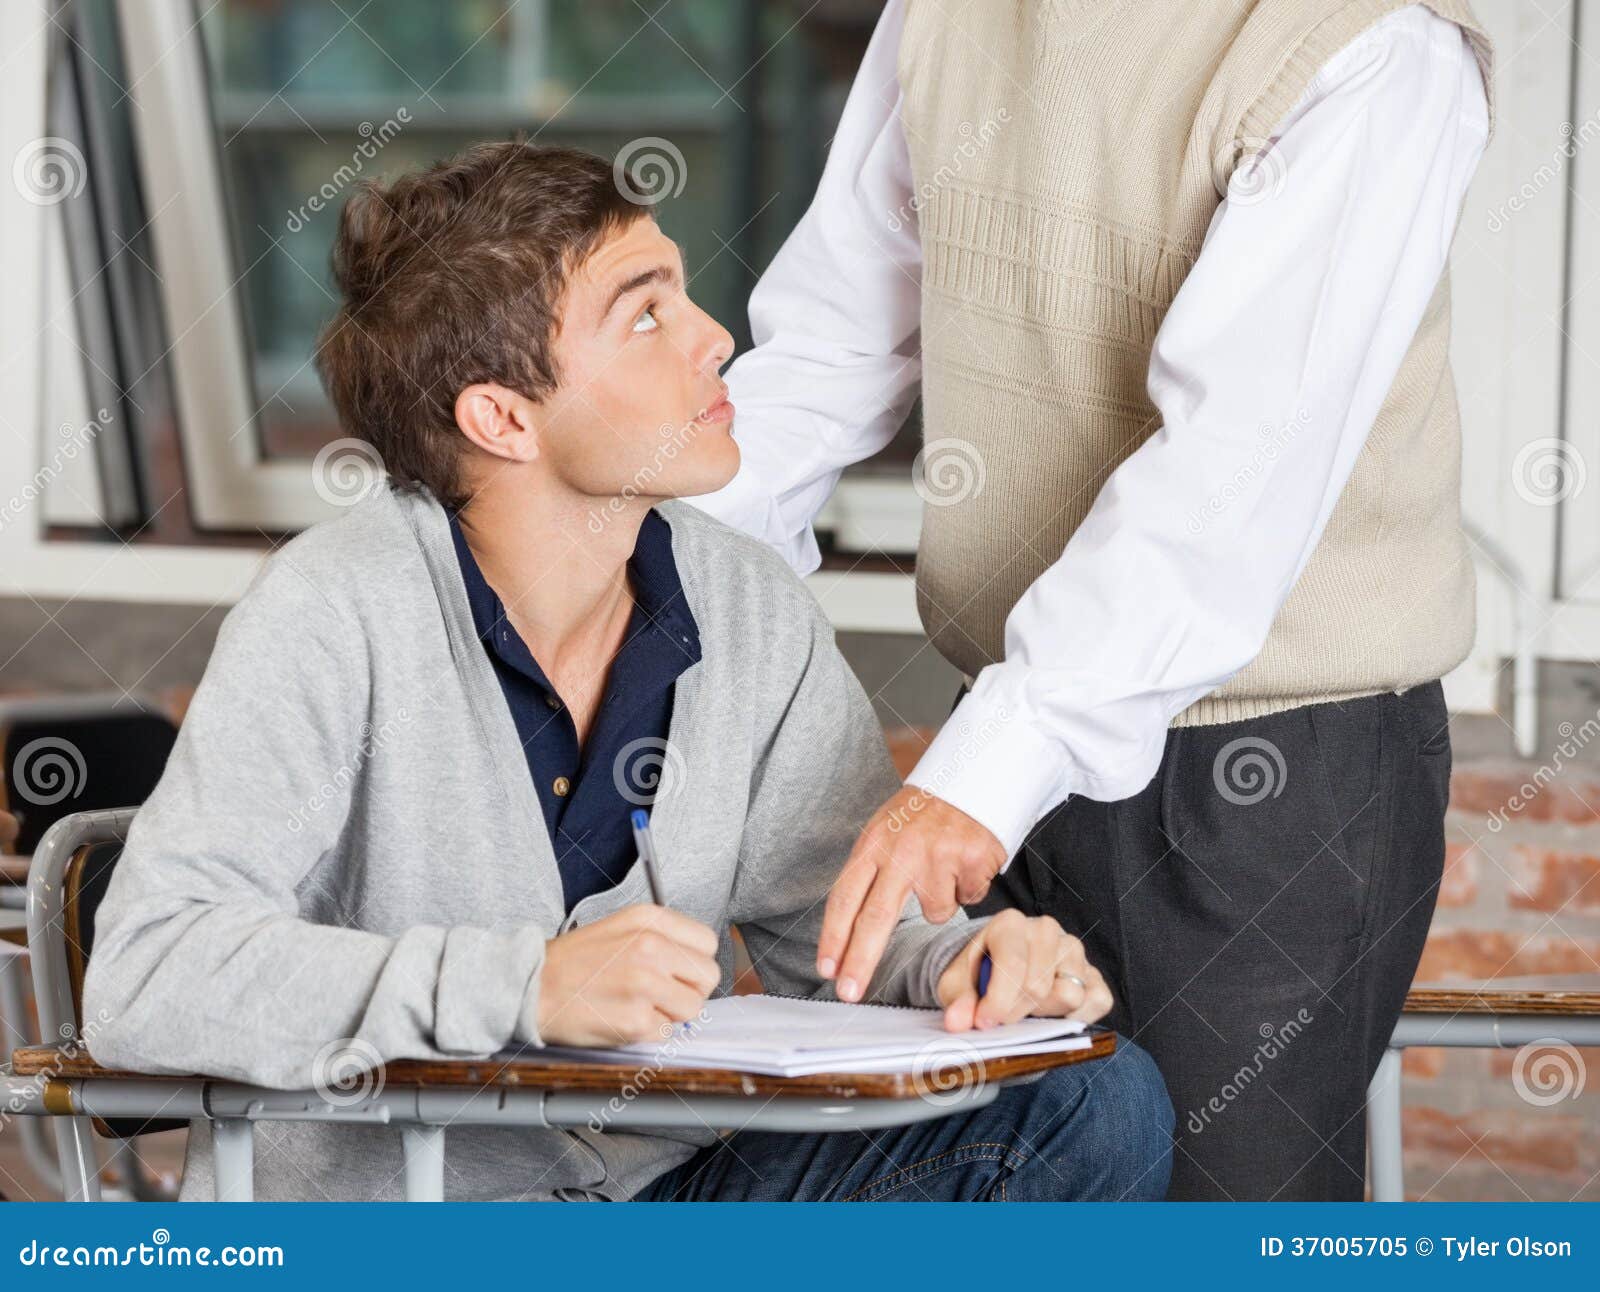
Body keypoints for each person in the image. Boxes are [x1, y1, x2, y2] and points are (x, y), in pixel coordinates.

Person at [81, 142, 1172, 1202]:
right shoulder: (332, 610)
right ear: (501, 415)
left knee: (1093, 1101)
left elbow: (837, 929)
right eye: (645, 313)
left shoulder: (749, 605)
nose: (712, 340)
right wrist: (529, 987)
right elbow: (148, 976)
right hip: (408, 1225)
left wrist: (970, 964)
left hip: (662, 1203)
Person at [689, 0, 1491, 1199]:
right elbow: (829, 350)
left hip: (1267, 773)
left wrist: (980, 771)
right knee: (993, 1206)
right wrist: (628, 574)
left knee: (1206, 1240)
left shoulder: (1374, 43)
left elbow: (1230, 476)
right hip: (1013, 736)